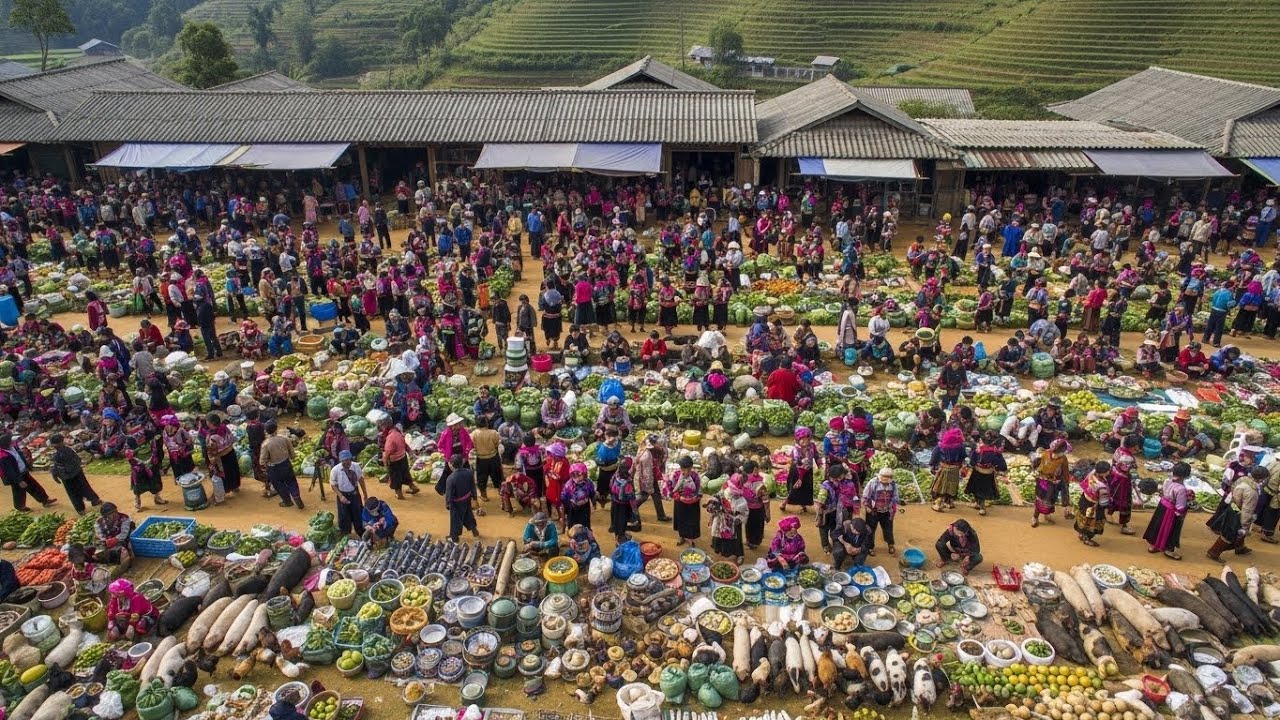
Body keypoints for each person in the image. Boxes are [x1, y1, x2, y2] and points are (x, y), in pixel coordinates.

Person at [1206, 465, 1262, 561]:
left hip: (1232, 507)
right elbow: (1247, 510)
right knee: (1229, 534)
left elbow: (1232, 487)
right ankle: (1213, 552)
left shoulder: (1243, 479)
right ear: (1261, 478)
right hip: (1238, 514)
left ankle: (1239, 547)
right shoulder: (1252, 492)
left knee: (1237, 533)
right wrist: (1245, 525)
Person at [1143, 462, 1190, 559]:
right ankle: (1169, 550)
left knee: (1158, 526)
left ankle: (1154, 546)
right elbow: (1180, 506)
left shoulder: (1167, 481)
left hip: (1162, 507)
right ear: (1186, 476)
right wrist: (1181, 513)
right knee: (1171, 530)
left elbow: (1164, 493)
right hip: (1171, 512)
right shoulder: (1181, 489)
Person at [49, 433, 102, 515]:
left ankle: (80, 509)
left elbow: (54, 468)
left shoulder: (56, 456)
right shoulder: (68, 450)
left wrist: (55, 476)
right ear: (61, 442)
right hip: (77, 473)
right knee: (84, 487)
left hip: (66, 478)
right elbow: (78, 460)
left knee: (73, 493)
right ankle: (94, 500)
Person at [0, 433, 55, 512]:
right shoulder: (2, 455)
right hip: (15, 476)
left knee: (34, 486)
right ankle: (20, 507)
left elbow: (20, 457)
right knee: (19, 492)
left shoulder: (12, 447)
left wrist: (28, 466)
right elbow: (9, 471)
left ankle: (45, 500)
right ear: (6, 444)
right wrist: (19, 481)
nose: (12, 442)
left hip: (23, 471)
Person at [260, 420, 303, 509]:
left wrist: (265, 465)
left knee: (279, 485)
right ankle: (296, 496)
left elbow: (262, 460)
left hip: (273, 468)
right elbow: (292, 453)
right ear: (276, 429)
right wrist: (291, 457)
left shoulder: (266, 444)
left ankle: (287, 501)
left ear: (266, 431)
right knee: (291, 481)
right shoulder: (284, 438)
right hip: (286, 464)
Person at [1032, 439, 1071, 528]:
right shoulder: (1043, 455)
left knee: (1050, 501)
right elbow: (1035, 468)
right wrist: (1041, 476)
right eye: (1057, 454)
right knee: (1040, 500)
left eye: (1061, 453)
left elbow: (1065, 473)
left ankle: (1046, 515)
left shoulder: (1063, 459)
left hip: (1054, 484)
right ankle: (1035, 517)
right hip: (1042, 483)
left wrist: (1065, 483)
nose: (1058, 456)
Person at [329, 450, 367, 537]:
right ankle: (346, 535)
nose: (347, 463)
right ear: (340, 461)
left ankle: (362, 534)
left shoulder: (356, 467)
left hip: (354, 494)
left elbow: (361, 480)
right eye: (344, 461)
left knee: (358, 515)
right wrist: (340, 496)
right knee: (344, 517)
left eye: (348, 460)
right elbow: (333, 484)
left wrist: (365, 494)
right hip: (343, 495)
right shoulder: (335, 470)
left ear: (351, 459)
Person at [780, 427, 818, 514]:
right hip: (797, 471)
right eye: (802, 440)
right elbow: (796, 461)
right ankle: (784, 503)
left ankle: (803, 505)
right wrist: (801, 473)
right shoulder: (796, 449)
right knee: (795, 489)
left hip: (808, 471)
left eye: (807, 440)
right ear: (798, 440)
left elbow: (816, 455)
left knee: (806, 488)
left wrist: (819, 464)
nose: (805, 442)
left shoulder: (812, 446)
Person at [966, 431, 1005, 515]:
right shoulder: (995, 451)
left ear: (982, 441)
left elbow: (972, 461)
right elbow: (1001, 464)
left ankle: (982, 508)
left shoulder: (978, 450)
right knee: (983, 490)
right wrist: (997, 469)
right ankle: (978, 504)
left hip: (978, 472)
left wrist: (973, 465)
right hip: (989, 473)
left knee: (977, 489)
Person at [863, 467, 900, 556]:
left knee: (888, 528)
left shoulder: (893, 484)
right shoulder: (873, 483)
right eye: (883, 478)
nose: (885, 480)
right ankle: (870, 547)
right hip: (873, 511)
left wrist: (895, 504)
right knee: (870, 530)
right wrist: (867, 507)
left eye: (887, 478)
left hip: (887, 511)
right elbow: (865, 496)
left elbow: (895, 496)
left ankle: (890, 544)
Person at [443, 455, 480, 542]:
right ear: (462, 462)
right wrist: (474, 497)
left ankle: (454, 537)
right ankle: (474, 530)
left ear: (451, 465)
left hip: (456, 503)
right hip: (467, 499)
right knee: (468, 515)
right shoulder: (469, 472)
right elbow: (472, 486)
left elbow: (448, 494)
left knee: (455, 519)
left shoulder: (451, 478)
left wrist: (448, 504)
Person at [380, 416, 418, 500]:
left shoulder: (390, 437)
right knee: (405, 474)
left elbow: (388, 452)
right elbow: (405, 444)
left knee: (395, 478)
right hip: (403, 457)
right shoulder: (398, 433)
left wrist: (385, 462)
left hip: (394, 461)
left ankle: (399, 494)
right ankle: (413, 487)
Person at [929, 427, 966, 512]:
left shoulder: (940, 446)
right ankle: (949, 502)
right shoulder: (961, 447)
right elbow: (962, 457)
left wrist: (933, 466)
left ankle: (938, 504)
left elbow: (934, 457)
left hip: (944, 468)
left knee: (940, 486)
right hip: (955, 469)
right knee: (951, 486)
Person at [668, 455, 702, 547]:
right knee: (681, 520)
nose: (686, 471)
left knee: (692, 521)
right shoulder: (676, 475)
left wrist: (696, 498)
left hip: (693, 504)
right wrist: (678, 497)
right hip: (680, 503)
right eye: (683, 469)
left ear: (691, 467)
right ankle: (681, 537)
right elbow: (672, 490)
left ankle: (691, 539)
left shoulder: (695, 476)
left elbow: (699, 490)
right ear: (680, 467)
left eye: (688, 469)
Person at [1075, 461, 1110, 547]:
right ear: (1103, 473)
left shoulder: (1092, 474)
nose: (1109, 472)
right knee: (1092, 522)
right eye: (1107, 471)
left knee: (1083, 517)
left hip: (1084, 500)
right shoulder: (1102, 487)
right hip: (1094, 506)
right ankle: (1087, 538)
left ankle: (1081, 534)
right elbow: (1103, 502)